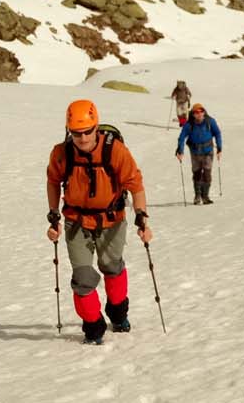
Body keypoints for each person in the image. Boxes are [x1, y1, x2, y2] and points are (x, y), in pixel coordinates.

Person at [46, 99, 151, 345]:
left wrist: (142, 217)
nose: (82, 138)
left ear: (96, 126)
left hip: (112, 220)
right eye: (75, 133)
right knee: (82, 278)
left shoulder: (115, 151)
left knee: (111, 267)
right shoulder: (61, 153)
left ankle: (118, 314)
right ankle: (93, 326)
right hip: (76, 222)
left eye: (87, 132)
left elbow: (135, 185)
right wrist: (53, 214)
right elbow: (53, 181)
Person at [176, 103, 222, 205]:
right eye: (196, 112)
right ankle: (197, 196)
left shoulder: (210, 122)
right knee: (196, 173)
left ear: (204, 112)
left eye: (201, 111)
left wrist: (219, 148)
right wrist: (180, 151)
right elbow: (182, 137)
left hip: (208, 152)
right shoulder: (189, 125)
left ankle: (205, 197)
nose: (199, 114)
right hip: (195, 153)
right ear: (193, 114)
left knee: (207, 173)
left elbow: (217, 133)